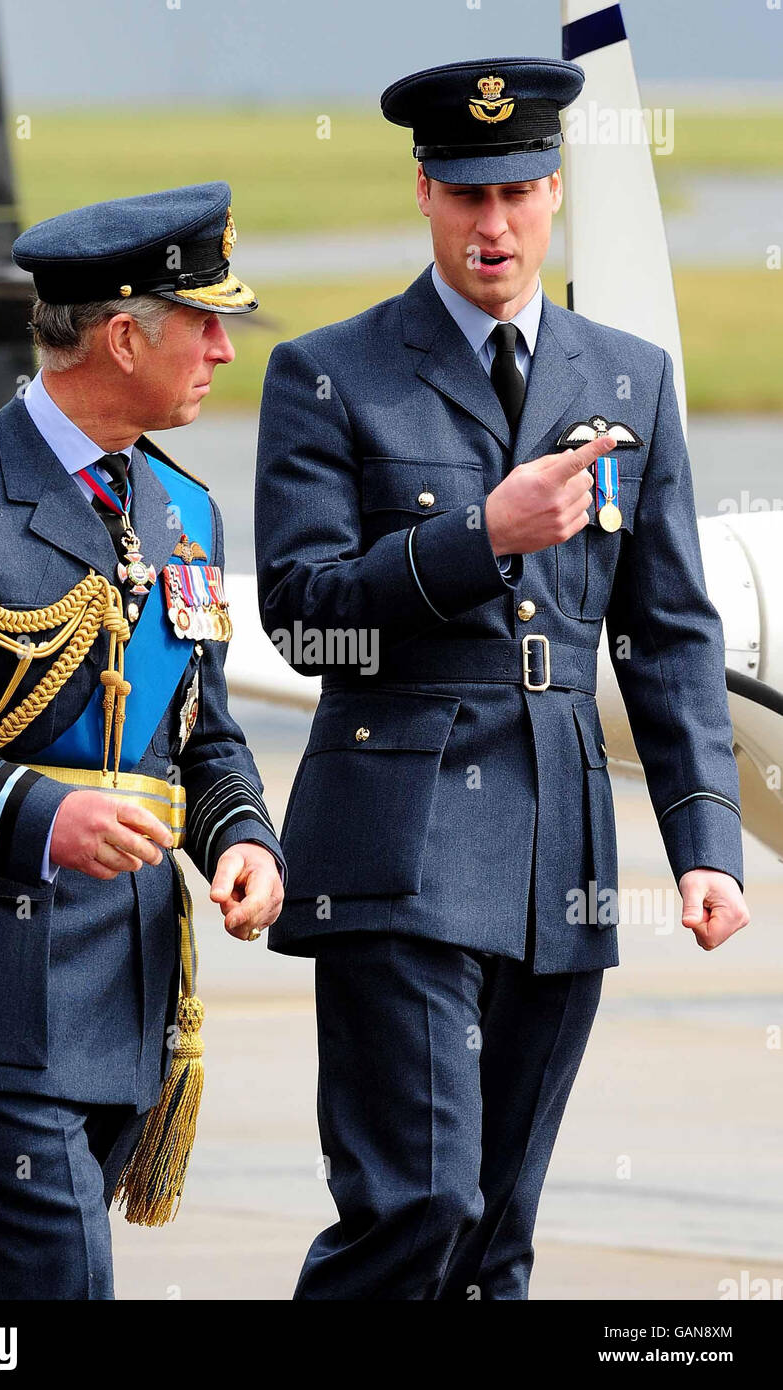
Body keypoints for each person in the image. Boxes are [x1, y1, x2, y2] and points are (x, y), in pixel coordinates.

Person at [254, 58, 750, 1300]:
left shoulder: (628, 376)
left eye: (521, 193)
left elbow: (669, 627)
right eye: (468, 196)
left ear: (553, 197)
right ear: (423, 191)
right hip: (394, 843)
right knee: (419, 1200)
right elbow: (304, 615)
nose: (494, 226)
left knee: (494, 1243)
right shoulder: (328, 372)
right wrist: (481, 535)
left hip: (560, 852)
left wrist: (702, 837)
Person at [0, 182, 284, 1299]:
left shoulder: (184, 511)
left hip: (128, 997)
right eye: (203, 322)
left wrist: (243, 839)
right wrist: (40, 816)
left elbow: (203, 731)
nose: (222, 352)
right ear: (119, 335)